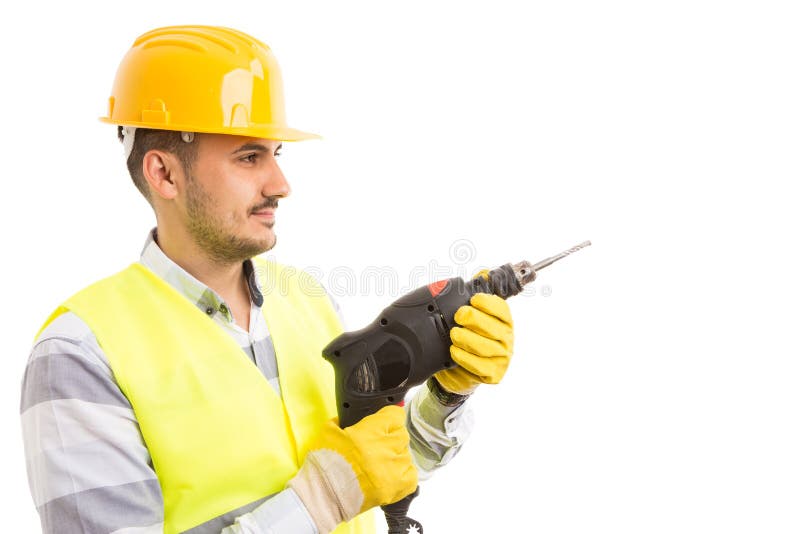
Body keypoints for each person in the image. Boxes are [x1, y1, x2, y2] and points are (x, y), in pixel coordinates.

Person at [20, 25, 515, 534]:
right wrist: (325, 494)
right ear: (164, 174)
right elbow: (341, 485)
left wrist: (445, 398)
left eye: (276, 155)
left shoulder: (305, 303)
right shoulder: (81, 354)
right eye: (248, 157)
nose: (280, 185)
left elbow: (376, 470)